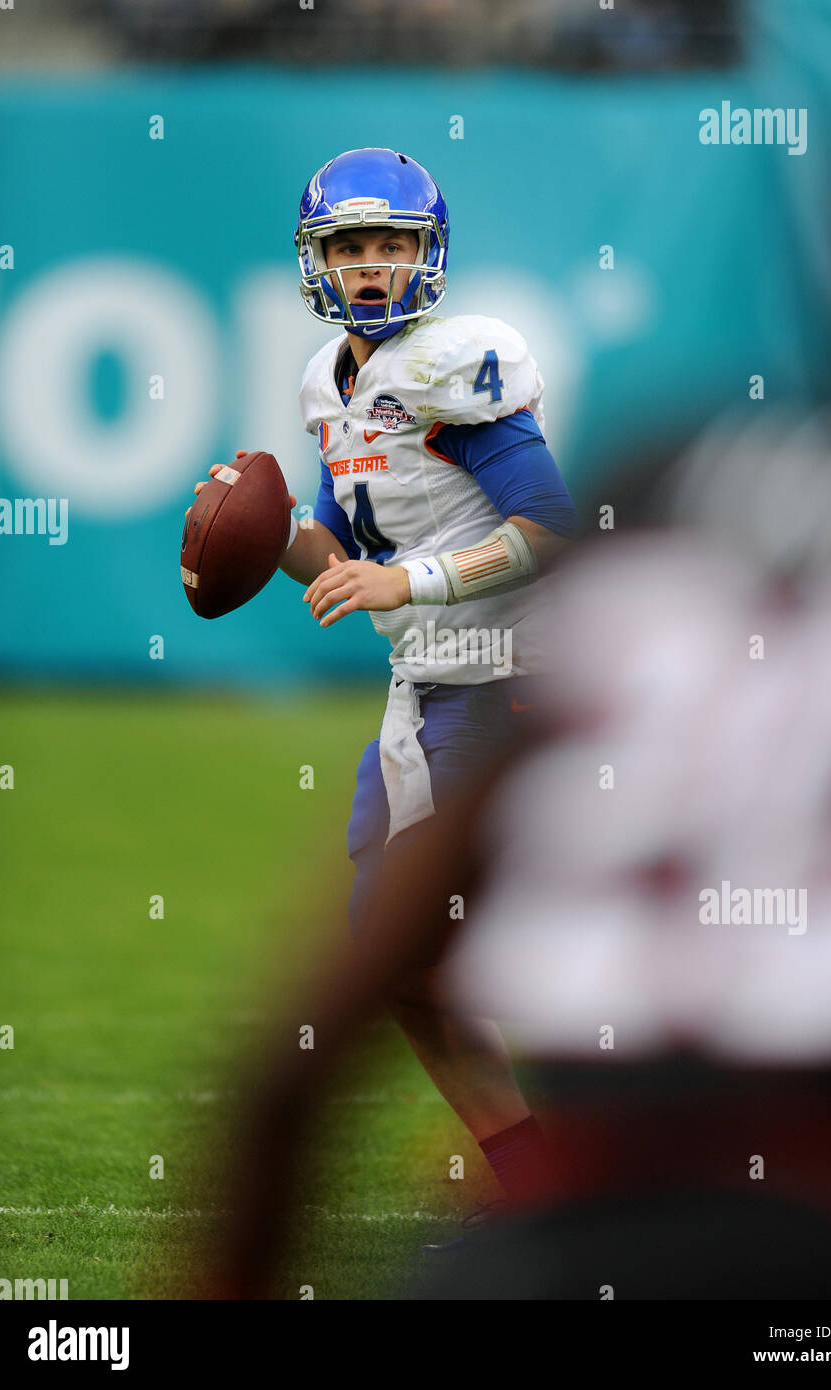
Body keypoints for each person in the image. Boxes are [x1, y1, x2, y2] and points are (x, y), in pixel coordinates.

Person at [187, 147, 577, 1233]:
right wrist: (261, 536)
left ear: (427, 254)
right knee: (392, 954)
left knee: (449, 937)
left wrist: (411, 577)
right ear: (318, 261)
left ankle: (599, 1157)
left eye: (391, 244)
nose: (370, 267)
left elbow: (549, 526)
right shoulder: (330, 381)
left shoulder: (454, 364)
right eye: (350, 246)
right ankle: (531, 1163)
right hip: (427, 689)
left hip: (511, 681)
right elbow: (341, 560)